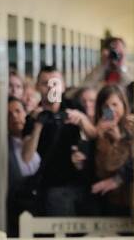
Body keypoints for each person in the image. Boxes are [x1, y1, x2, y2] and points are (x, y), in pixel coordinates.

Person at [31, 65, 91, 215]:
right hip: (51, 187)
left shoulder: (74, 108)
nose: (51, 88)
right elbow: (26, 157)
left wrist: (82, 120)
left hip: (82, 183)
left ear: (63, 86)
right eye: (46, 83)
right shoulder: (34, 116)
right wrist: (37, 125)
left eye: (55, 83)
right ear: (37, 87)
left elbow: (94, 135)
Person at [90, 83, 134, 216]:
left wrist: (120, 140)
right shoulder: (99, 132)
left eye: (115, 105)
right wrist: (100, 138)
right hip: (111, 198)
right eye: (106, 106)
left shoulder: (133, 125)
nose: (111, 110)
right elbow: (105, 168)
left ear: (123, 105)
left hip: (132, 194)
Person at [6, 95, 41, 235]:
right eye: (9, 114)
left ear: (26, 113)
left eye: (18, 111)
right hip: (18, 205)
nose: (14, 117)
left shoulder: (36, 137)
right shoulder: (6, 145)